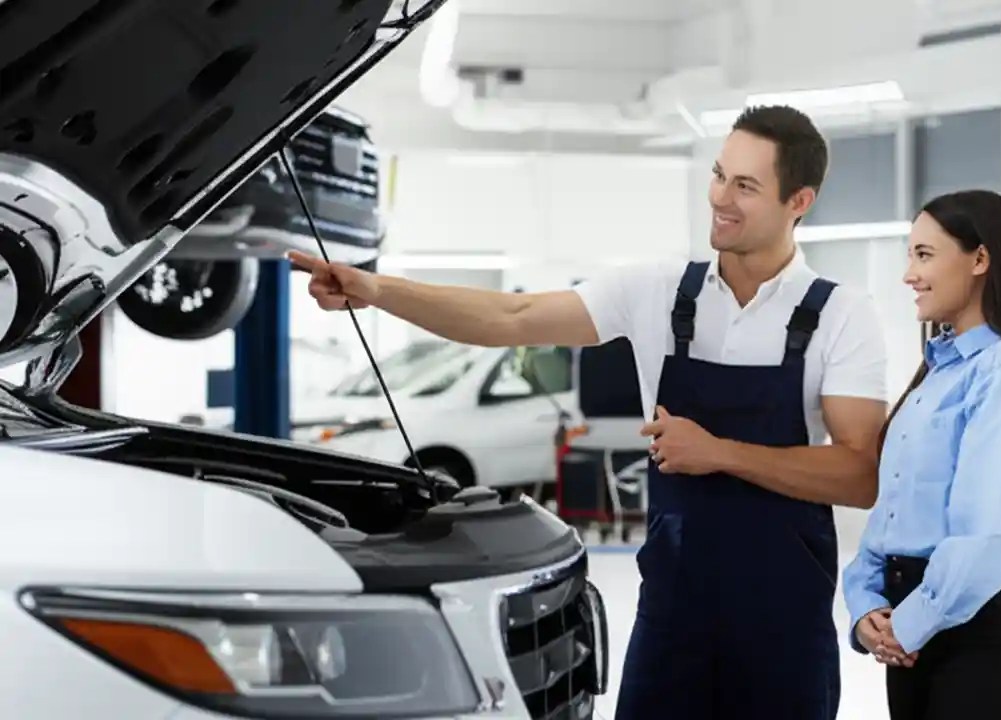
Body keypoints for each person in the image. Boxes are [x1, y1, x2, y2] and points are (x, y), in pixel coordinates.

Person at [288, 105, 889, 719]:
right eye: (718, 175)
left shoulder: (841, 316)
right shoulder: (658, 293)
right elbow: (510, 319)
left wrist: (717, 453)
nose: (720, 198)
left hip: (783, 622)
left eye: (746, 186)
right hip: (674, 616)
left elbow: (858, 474)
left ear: (799, 200)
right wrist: (378, 290)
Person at [841, 189, 1001, 720]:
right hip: (915, 631)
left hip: (982, 642)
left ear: (980, 259)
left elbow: (991, 533)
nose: (908, 274)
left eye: (924, 254)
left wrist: (908, 624)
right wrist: (867, 605)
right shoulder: (939, 371)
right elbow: (893, 516)